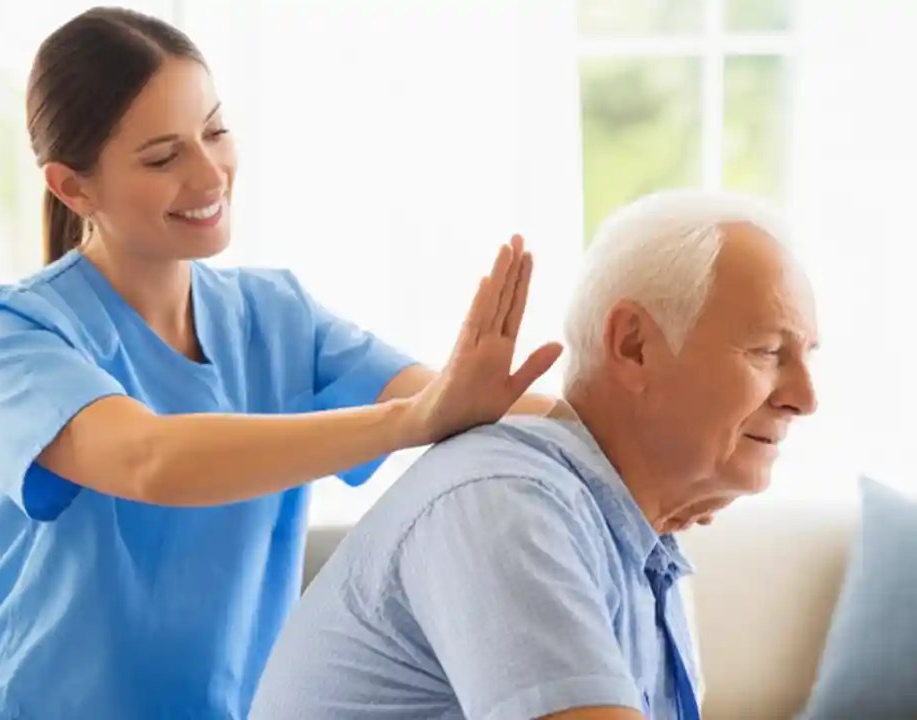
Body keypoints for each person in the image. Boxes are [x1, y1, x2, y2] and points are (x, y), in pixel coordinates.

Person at [0, 7, 564, 719]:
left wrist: (657, 424)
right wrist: (412, 420)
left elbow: (467, 400)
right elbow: (149, 461)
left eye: (216, 131)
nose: (210, 174)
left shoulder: (277, 315)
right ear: (74, 188)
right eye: (163, 157)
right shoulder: (11, 330)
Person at [250, 189, 820, 720]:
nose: (805, 399)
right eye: (769, 351)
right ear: (633, 345)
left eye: (806, 358)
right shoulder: (505, 501)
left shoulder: (640, 546)